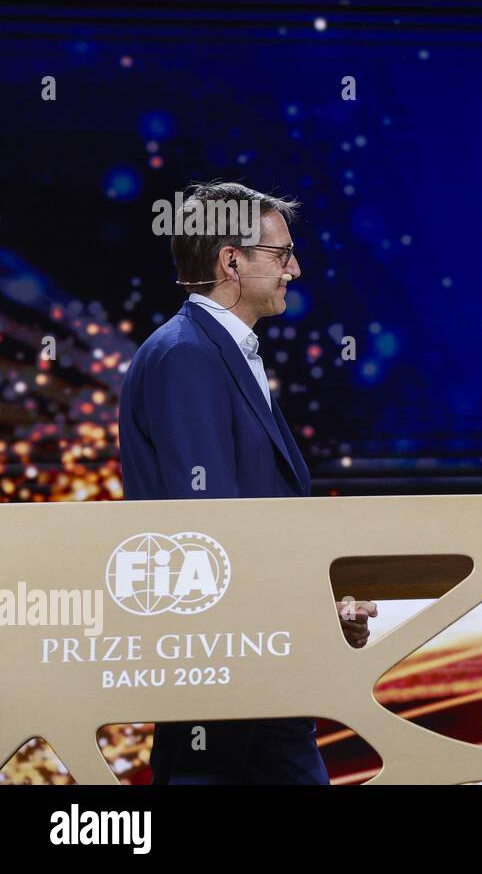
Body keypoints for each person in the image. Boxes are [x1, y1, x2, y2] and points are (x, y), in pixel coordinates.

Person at [119, 180, 374, 784]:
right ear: (230, 261)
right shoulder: (187, 356)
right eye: (282, 254)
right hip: (223, 676)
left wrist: (315, 612)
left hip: (255, 671)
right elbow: (211, 533)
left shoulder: (214, 352)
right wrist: (308, 612)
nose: (296, 268)